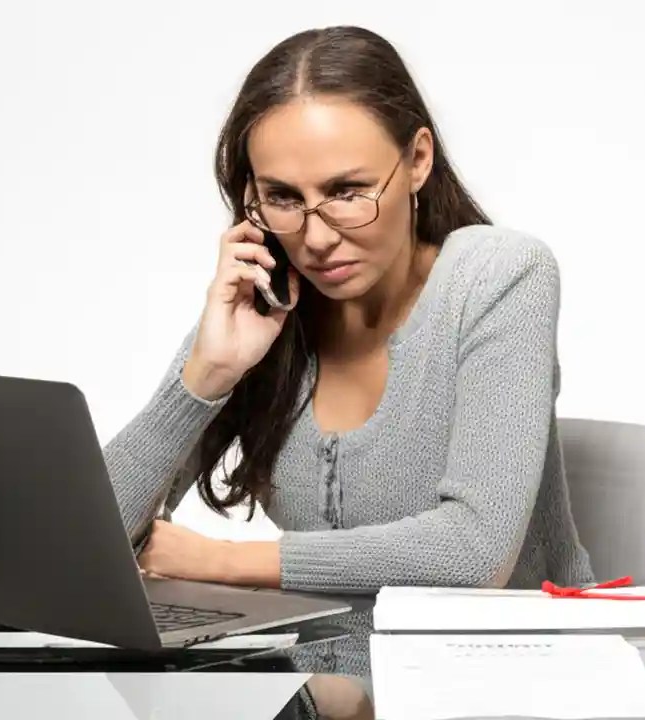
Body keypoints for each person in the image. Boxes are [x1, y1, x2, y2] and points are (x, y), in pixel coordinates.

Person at [104, 25, 595, 595]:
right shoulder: (263, 314)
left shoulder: (499, 276)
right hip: (308, 680)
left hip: (490, 675)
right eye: (283, 198)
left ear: (417, 160)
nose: (315, 238)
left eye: (346, 191)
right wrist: (206, 376)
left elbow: (474, 553)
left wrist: (226, 561)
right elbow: (84, 542)